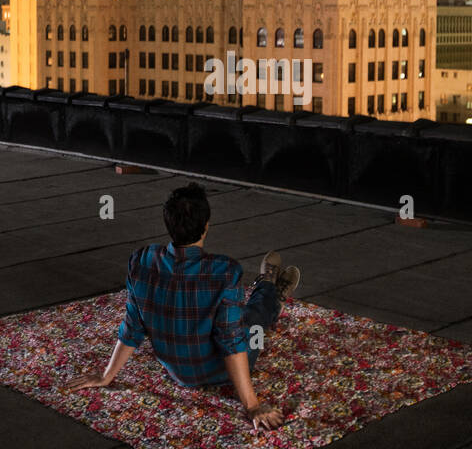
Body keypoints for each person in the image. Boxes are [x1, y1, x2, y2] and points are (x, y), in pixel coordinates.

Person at [63, 183, 300, 431]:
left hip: (177, 372)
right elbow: (231, 341)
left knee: (238, 317)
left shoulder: (142, 260)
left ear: (169, 224)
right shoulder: (224, 270)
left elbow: (133, 326)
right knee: (253, 322)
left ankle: (269, 290)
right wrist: (252, 405)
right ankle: (269, 289)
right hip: (219, 371)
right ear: (206, 226)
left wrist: (106, 376)